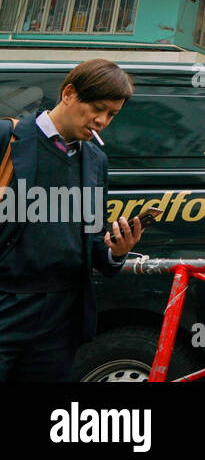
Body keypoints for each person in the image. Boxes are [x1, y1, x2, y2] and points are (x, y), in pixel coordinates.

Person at [0, 59, 147, 382]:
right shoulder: (7, 138)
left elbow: (91, 238)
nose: (102, 120)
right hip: (7, 298)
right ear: (68, 93)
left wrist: (116, 252)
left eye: (112, 114)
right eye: (97, 108)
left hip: (61, 314)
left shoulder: (95, 160)